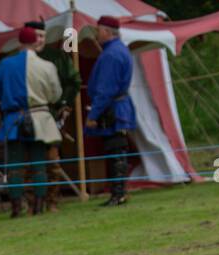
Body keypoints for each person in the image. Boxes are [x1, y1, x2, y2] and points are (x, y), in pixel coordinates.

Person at [0, 26, 62, 217]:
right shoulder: (47, 66)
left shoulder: (5, 64)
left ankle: (16, 209)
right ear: (34, 42)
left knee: (14, 166)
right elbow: (56, 95)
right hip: (40, 118)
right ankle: (38, 206)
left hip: (14, 119)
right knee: (39, 164)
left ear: (19, 42)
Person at [25, 18, 82, 211]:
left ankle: (51, 201)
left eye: (41, 35)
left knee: (52, 161)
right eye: (34, 36)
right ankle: (32, 203)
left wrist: (64, 103)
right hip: (24, 117)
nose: (38, 40)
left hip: (49, 115)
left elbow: (73, 81)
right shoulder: (15, 60)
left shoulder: (56, 57)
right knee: (28, 163)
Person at [85, 15, 136, 207]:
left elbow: (106, 89)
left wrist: (93, 115)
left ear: (106, 31)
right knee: (117, 148)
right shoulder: (118, 50)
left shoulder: (111, 55)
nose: (96, 34)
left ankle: (118, 194)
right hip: (117, 106)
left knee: (116, 149)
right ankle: (120, 193)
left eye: (98, 30)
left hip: (112, 108)